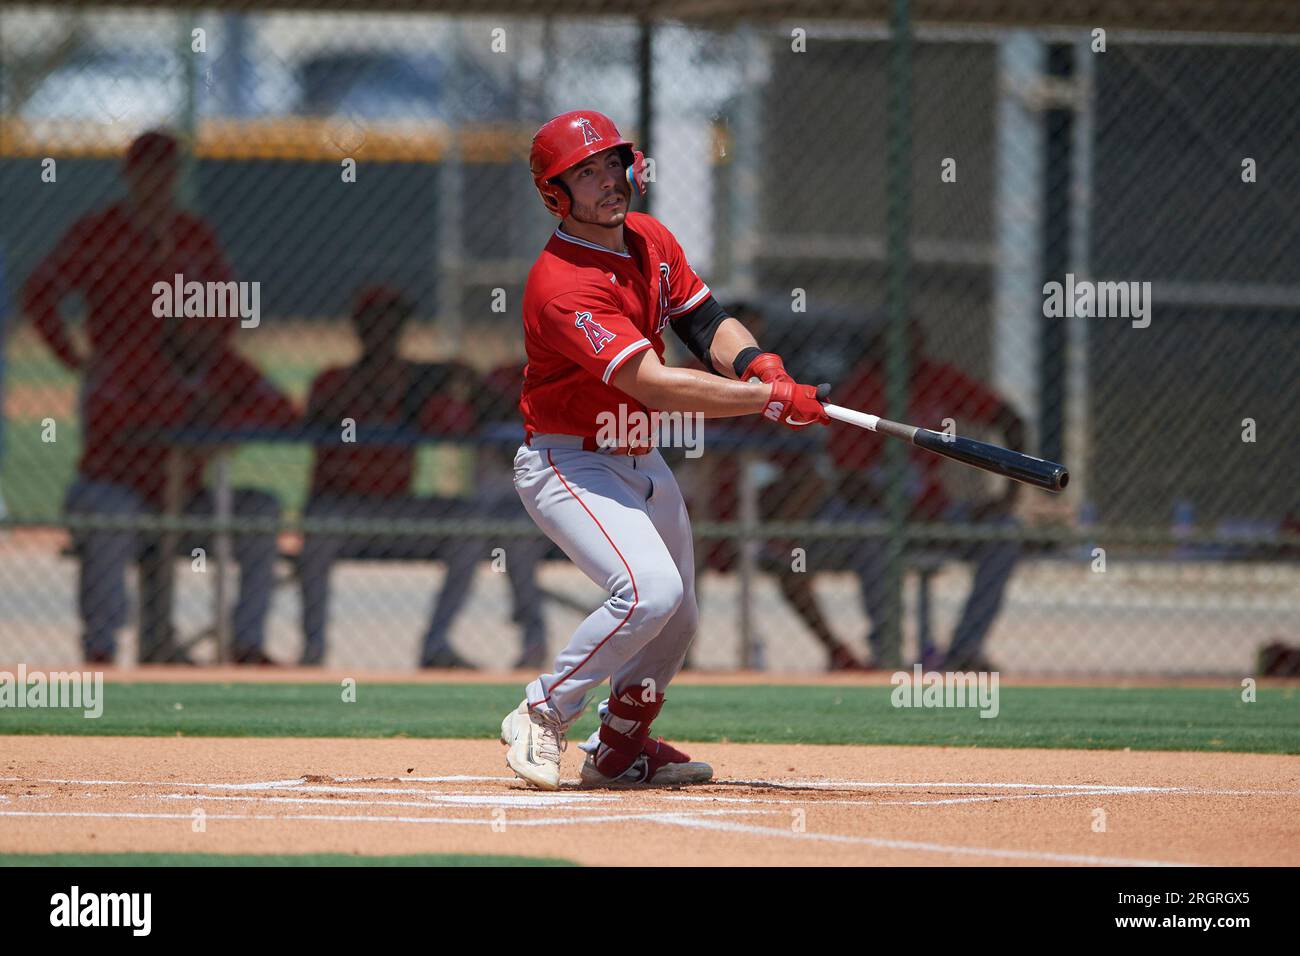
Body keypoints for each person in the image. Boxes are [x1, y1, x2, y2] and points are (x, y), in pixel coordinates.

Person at [499, 111, 831, 790]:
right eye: (585, 173)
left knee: (677, 616)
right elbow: (649, 383)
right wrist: (764, 402)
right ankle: (541, 710)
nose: (607, 182)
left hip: (639, 459)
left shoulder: (650, 240)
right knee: (648, 592)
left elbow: (703, 320)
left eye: (612, 165)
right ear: (556, 192)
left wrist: (761, 366)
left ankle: (621, 748)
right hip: (570, 461)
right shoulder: (561, 282)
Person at [21, 129, 297, 665]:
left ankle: (211, 644)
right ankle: (105, 650)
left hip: (177, 391)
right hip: (122, 387)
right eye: (147, 169)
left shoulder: (192, 237)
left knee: (227, 508)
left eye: (166, 170)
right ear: (129, 173)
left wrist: (216, 414)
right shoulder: (101, 232)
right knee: (118, 508)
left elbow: (233, 319)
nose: (157, 181)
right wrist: (73, 358)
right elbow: (40, 291)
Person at [823, 322, 1025, 670]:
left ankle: (964, 651)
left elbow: (1011, 421)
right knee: (869, 536)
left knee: (1004, 533)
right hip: (878, 516)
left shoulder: (936, 378)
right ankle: (887, 652)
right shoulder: (860, 391)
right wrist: (901, 511)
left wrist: (1006, 498)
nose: (905, 358)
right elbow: (849, 484)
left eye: (912, 348)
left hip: (935, 512)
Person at [298, 285, 482, 668]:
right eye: (375, 321)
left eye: (393, 321)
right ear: (359, 327)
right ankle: (312, 651)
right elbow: (314, 415)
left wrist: (440, 381)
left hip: (396, 508)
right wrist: (377, 386)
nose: (385, 330)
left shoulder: (417, 383)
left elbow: (464, 404)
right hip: (341, 507)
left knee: (467, 522)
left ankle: (436, 646)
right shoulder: (334, 381)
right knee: (316, 530)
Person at [688, 302, 868, 671]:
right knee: (689, 548)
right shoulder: (693, 372)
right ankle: (679, 656)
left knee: (794, 557)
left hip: (760, 499)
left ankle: (834, 646)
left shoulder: (769, 375)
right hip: (705, 493)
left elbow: (794, 447)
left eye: (754, 336)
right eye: (740, 334)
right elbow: (686, 442)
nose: (748, 345)